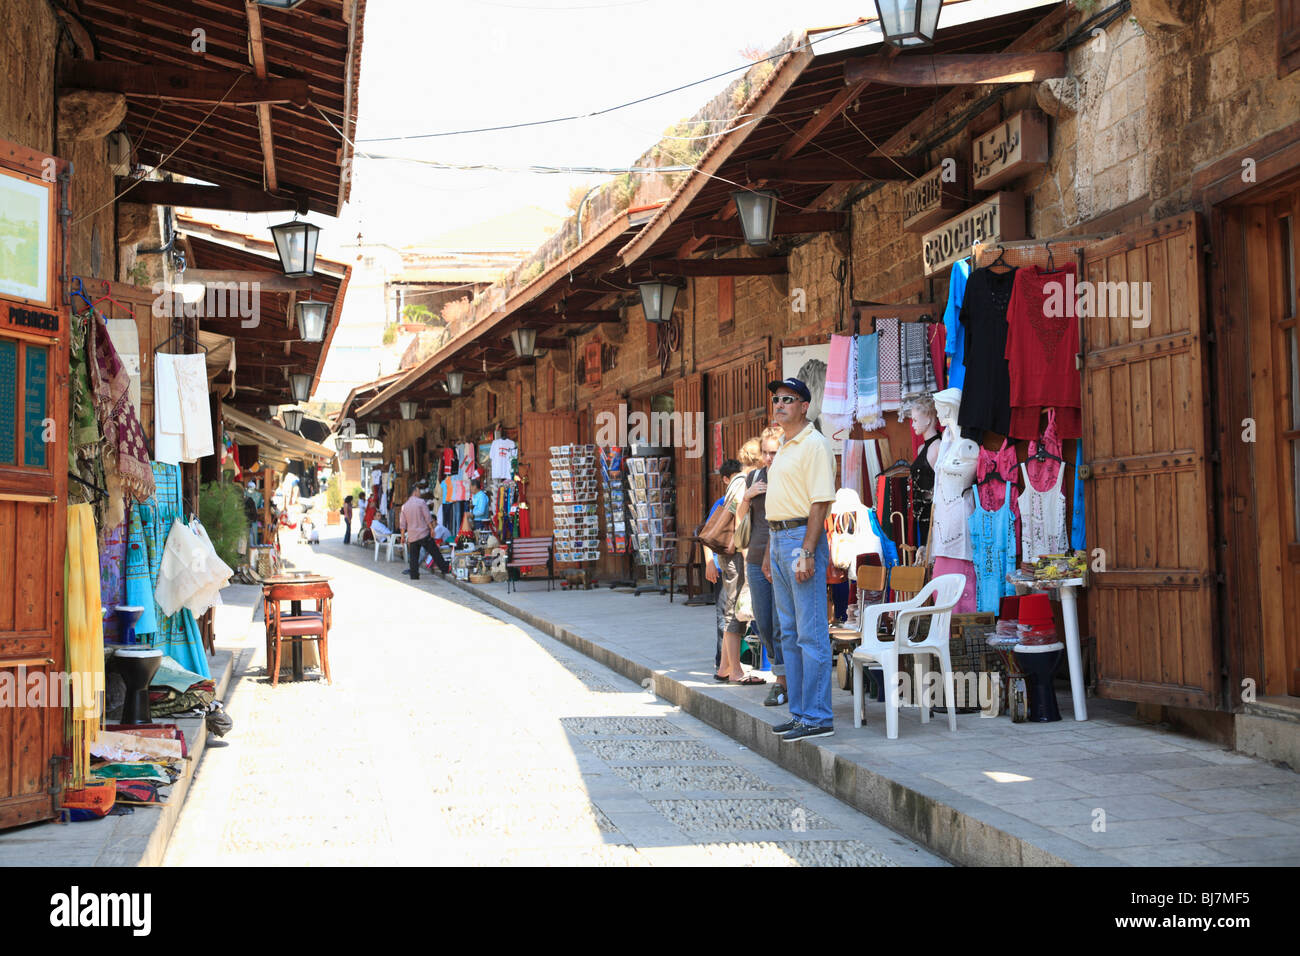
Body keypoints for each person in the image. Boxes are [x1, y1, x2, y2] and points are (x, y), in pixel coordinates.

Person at [764, 376, 837, 742]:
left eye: (788, 399)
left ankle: (819, 716)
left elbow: (819, 502)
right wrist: (768, 552)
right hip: (778, 538)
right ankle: (800, 714)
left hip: (799, 540)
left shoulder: (815, 444)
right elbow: (778, 502)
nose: (779, 404)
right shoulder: (784, 445)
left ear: (804, 406)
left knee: (810, 634)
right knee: (789, 634)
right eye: (776, 399)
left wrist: (807, 551)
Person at [735, 429, 786, 706]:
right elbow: (740, 518)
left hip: (780, 556)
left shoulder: (789, 476)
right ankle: (781, 673)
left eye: (774, 452)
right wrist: (747, 495)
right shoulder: (755, 477)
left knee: (780, 624)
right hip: (755, 557)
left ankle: (782, 681)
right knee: (763, 623)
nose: (768, 457)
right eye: (765, 452)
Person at [703, 459, 761, 684]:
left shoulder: (736, 484)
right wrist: (746, 553)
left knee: (731, 610)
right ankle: (732, 668)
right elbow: (731, 523)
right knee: (734, 611)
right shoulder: (742, 484)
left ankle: (726, 666)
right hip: (735, 555)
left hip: (730, 556)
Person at [401, 480, 450, 581]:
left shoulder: (404, 506)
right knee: (434, 552)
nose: (420, 493)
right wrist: (432, 529)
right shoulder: (421, 502)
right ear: (414, 492)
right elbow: (427, 517)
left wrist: (402, 536)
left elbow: (402, 523)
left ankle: (414, 575)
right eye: (418, 491)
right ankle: (444, 568)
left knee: (414, 557)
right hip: (423, 533)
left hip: (412, 535)